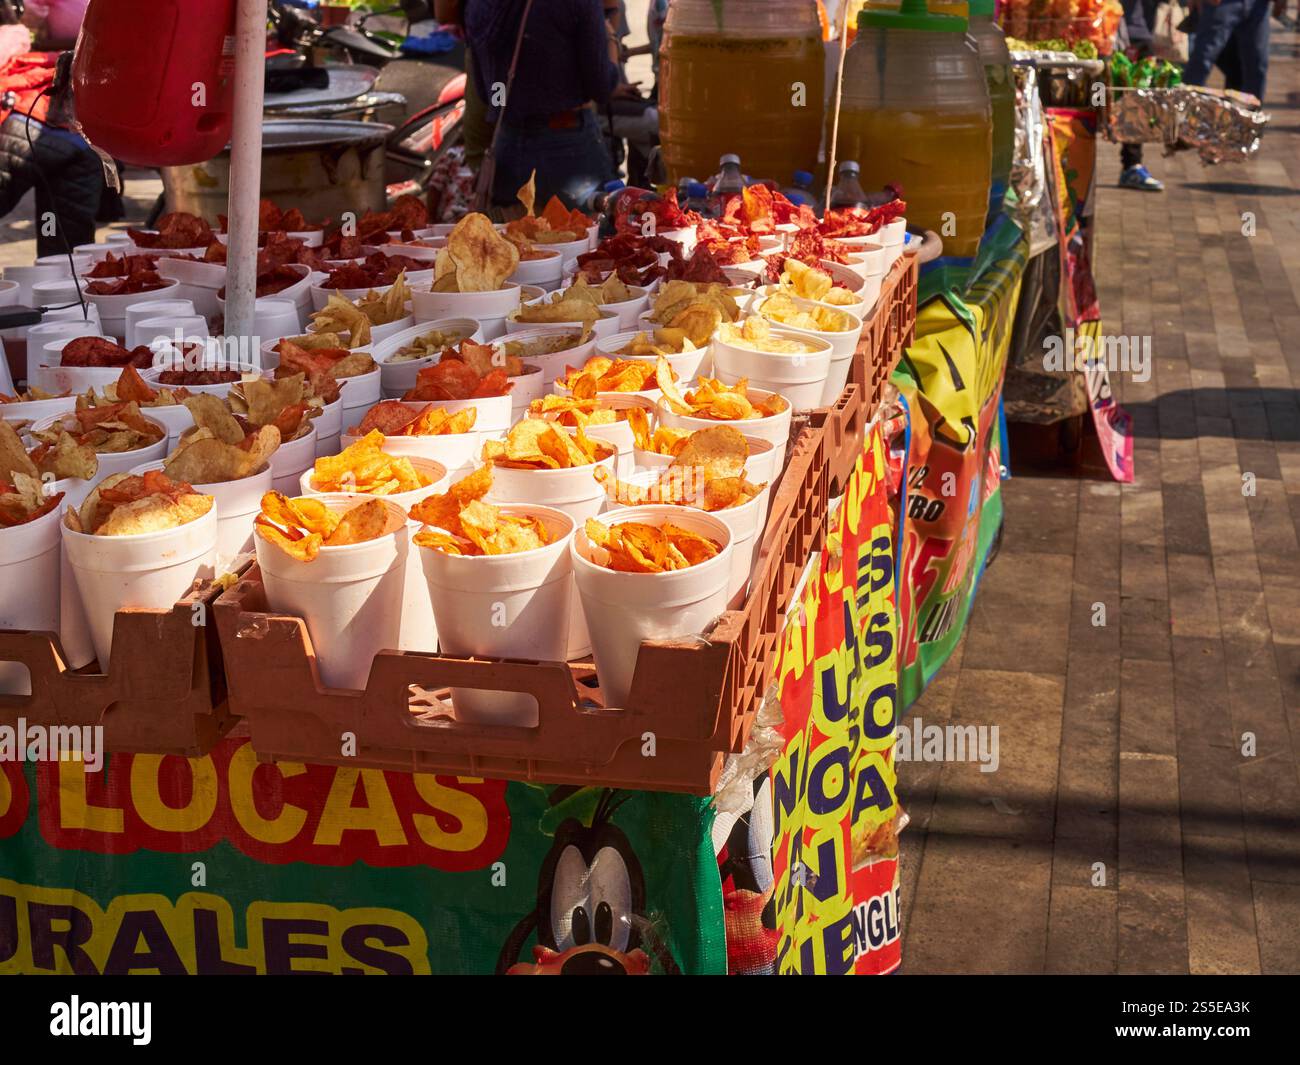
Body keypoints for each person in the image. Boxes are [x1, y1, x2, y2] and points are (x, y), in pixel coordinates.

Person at [466, 0, 619, 210]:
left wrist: (518, 98)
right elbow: (602, 87)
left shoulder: (478, 5)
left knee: (515, 241)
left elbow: (489, 94)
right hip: (569, 151)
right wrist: (611, 38)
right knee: (589, 237)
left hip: (508, 148)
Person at [0, 0, 103, 257]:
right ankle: (61, 293)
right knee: (64, 251)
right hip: (79, 136)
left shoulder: (16, 37)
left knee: (61, 240)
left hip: (28, 123)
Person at [1183, 0, 1278, 100]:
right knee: (1202, 60)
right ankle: (1184, 105)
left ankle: (1251, 113)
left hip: (1257, 5)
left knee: (1257, 64)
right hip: (1221, 4)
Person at [1118, 0, 1164, 191]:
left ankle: (1132, 165)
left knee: (1137, 101)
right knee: (1097, 100)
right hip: (1106, 29)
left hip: (1136, 32)